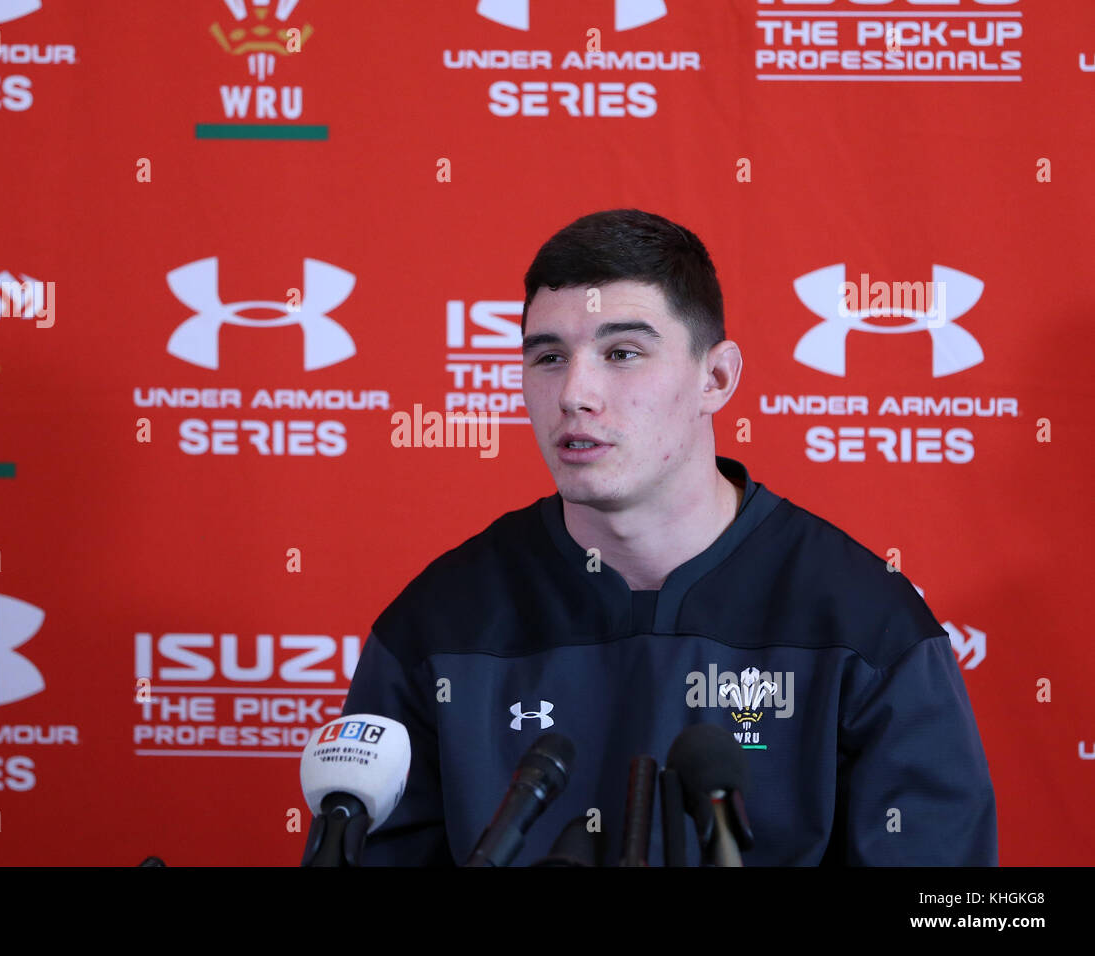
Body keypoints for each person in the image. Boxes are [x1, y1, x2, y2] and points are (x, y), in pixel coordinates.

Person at [338, 208, 997, 866]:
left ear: (715, 378)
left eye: (622, 353)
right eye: (548, 357)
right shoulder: (436, 624)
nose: (575, 393)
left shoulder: (865, 623)